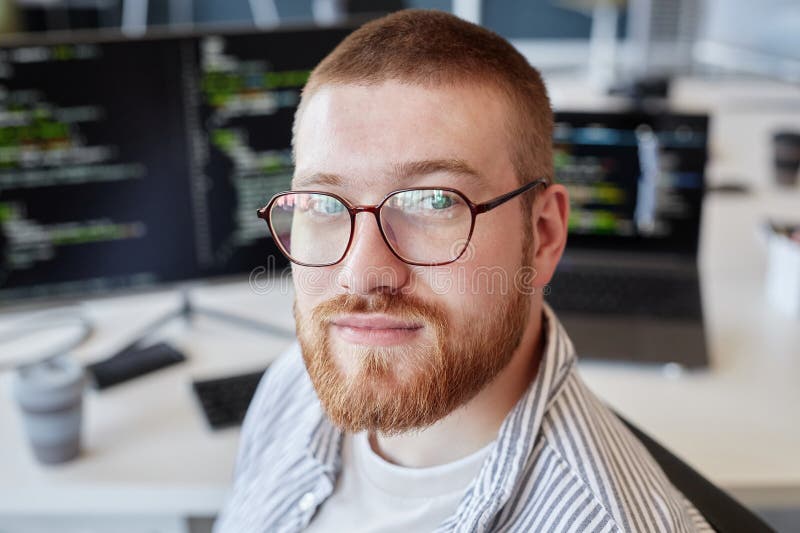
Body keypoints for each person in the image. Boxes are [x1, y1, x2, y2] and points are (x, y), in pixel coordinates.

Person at [216, 9, 712, 532]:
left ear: (543, 235)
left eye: (433, 202)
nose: (361, 275)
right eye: (322, 203)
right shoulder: (295, 381)